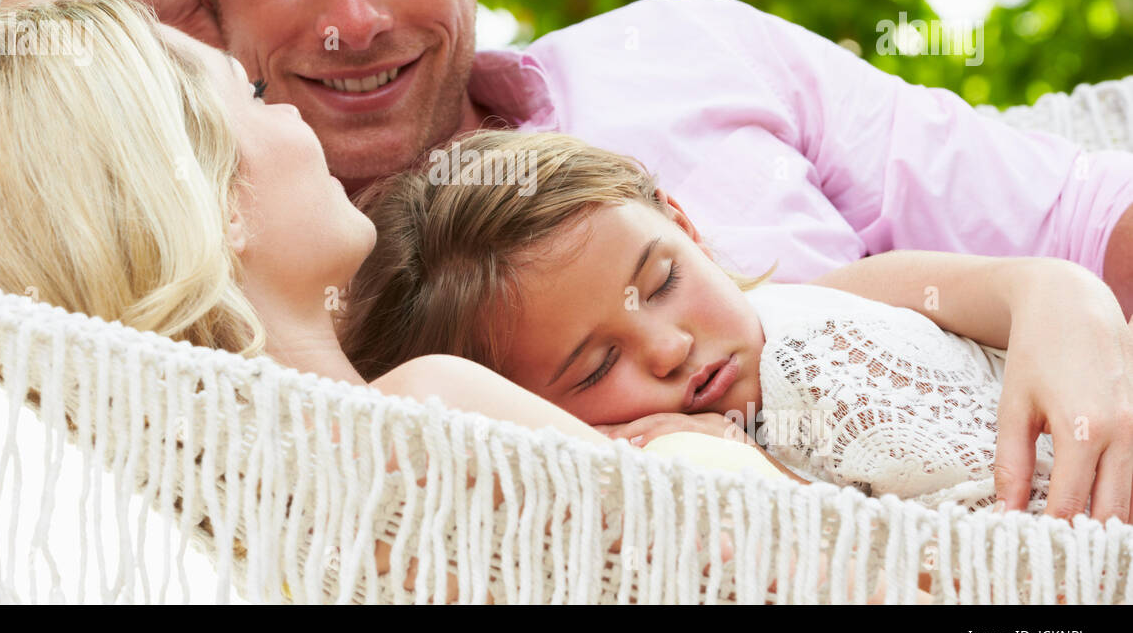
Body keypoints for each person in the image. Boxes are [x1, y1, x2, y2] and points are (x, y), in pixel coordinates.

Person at [0, 0, 1133, 519]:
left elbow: (1084, 219)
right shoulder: (217, 283)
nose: (353, 21)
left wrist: (1063, 297)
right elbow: (7, 331)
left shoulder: (690, 52)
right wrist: (46, 2)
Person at [0, 0, 911, 601]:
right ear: (211, 200)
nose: (294, 117)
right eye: (252, 97)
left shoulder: (225, 511)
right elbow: (817, 572)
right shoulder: (427, 411)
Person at [338, 130, 1133, 515]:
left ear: (682, 225)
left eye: (662, 281)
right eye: (595, 367)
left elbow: (1033, 287)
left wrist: (1066, 298)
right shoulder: (687, 485)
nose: (669, 347)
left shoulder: (851, 292)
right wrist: (748, 475)